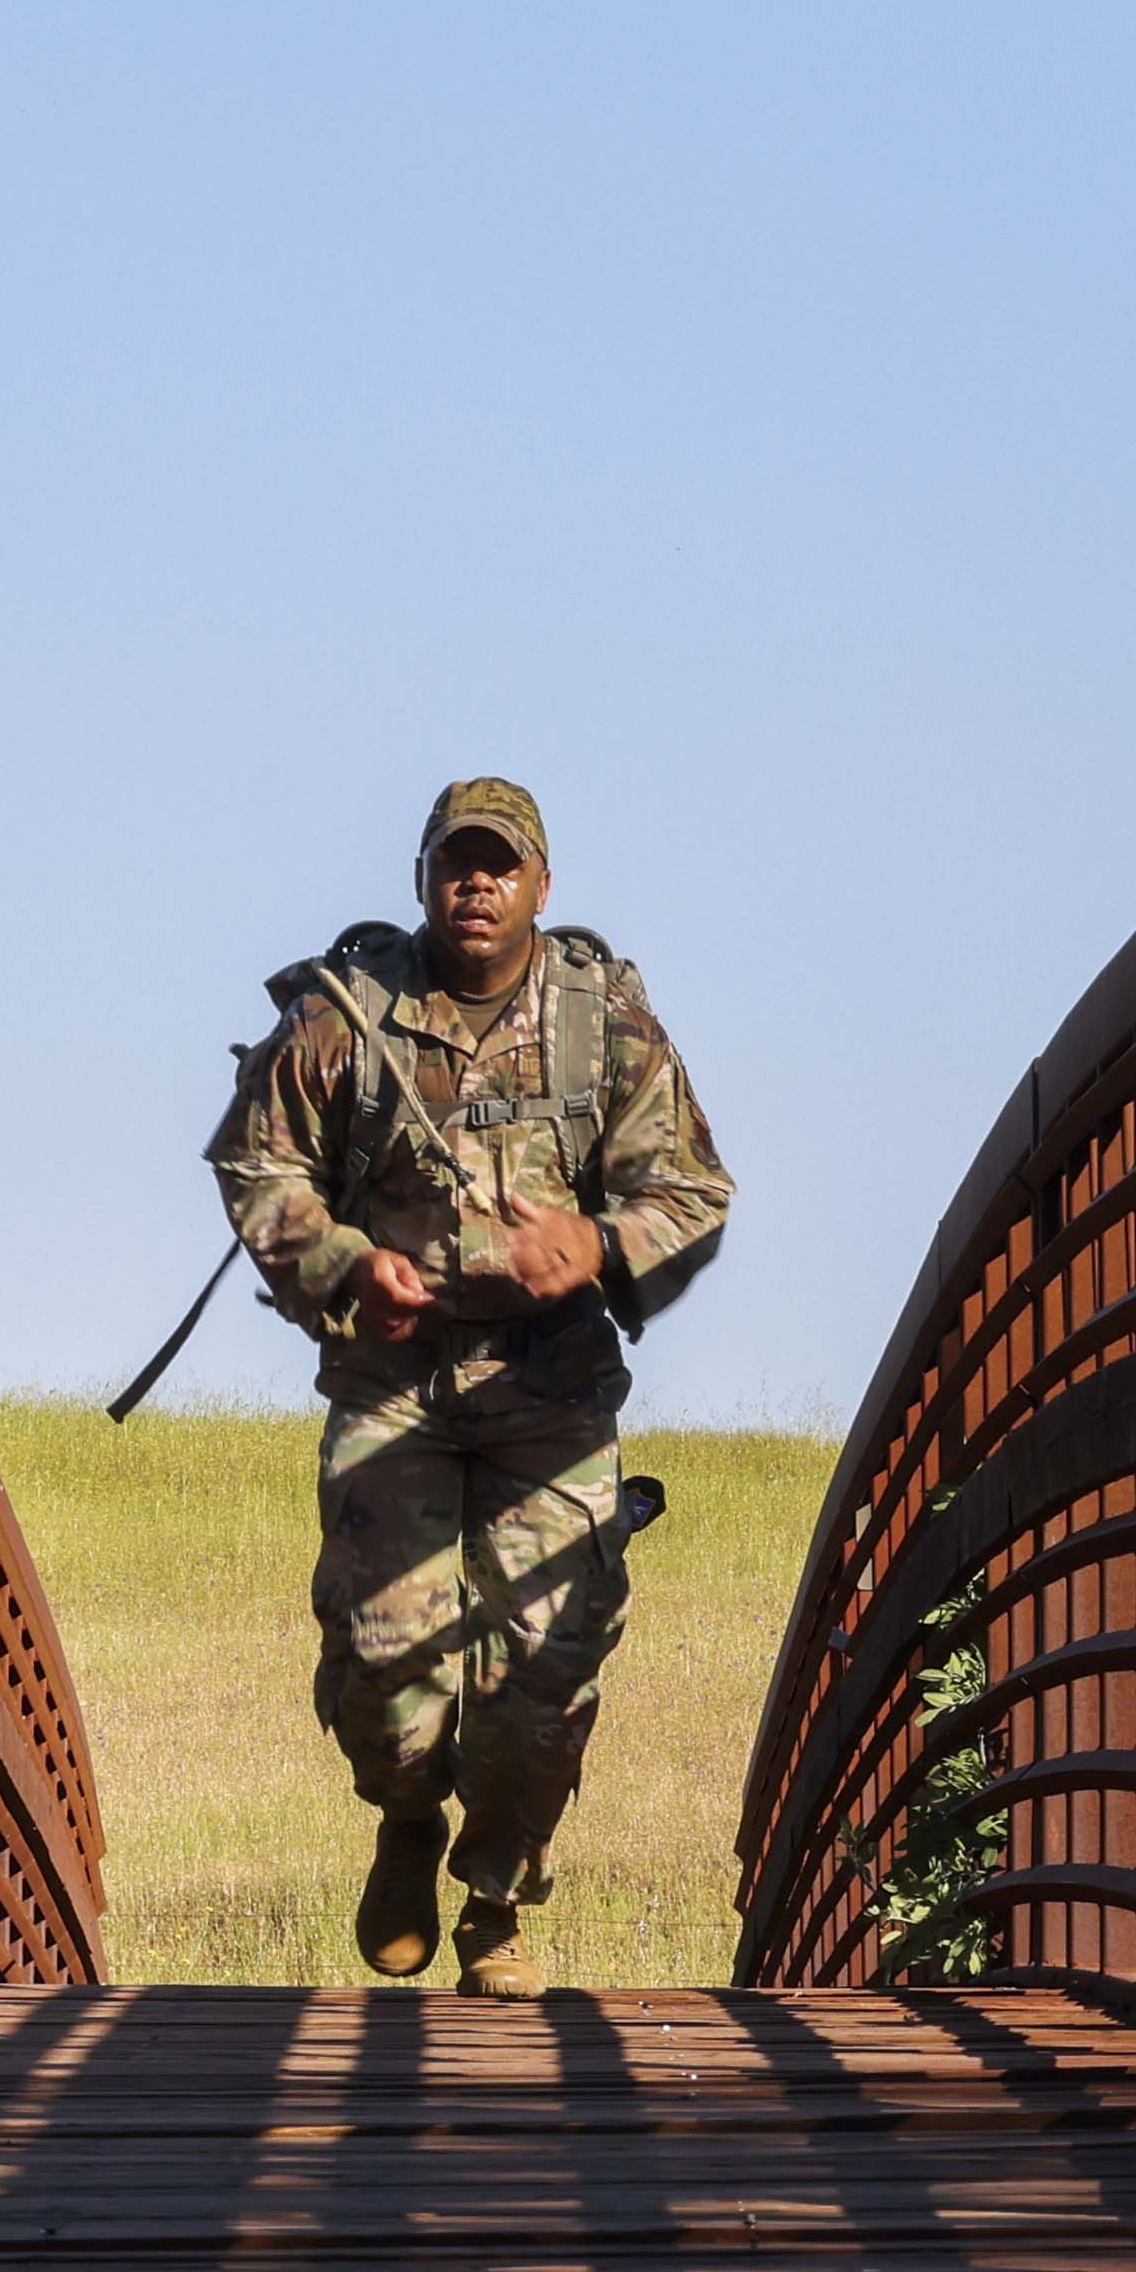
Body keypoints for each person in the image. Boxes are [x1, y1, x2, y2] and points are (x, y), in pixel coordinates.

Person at [200, 776, 740, 1991]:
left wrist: (597, 1246)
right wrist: (341, 1263)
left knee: (539, 1678)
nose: (477, 884)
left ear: (542, 885)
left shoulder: (604, 1025)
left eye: (501, 865)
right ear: (421, 879)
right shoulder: (347, 1016)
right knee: (390, 1671)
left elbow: (692, 1191)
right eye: (457, 863)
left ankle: (495, 1903)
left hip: (550, 1390)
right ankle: (404, 1820)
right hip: (393, 1382)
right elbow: (257, 1163)